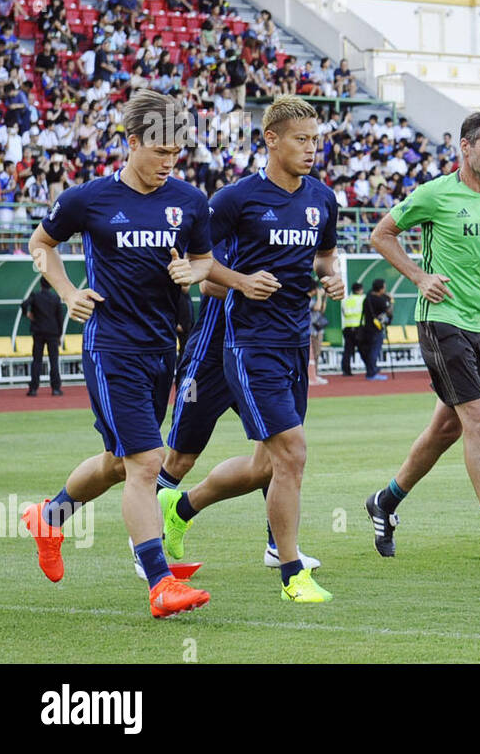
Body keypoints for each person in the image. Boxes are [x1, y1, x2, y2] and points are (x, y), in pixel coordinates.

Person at [22, 89, 215, 617]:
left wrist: (191, 273)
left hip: (161, 349)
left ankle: (50, 517)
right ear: (131, 144)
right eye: (159, 152)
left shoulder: (191, 201)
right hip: (111, 347)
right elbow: (41, 244)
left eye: (176, 153)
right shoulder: (89, 199)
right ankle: (159, 583)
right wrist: (67, 292)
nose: (169, 163)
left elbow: (204, 261)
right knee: (147, 463)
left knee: (116, 463)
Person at [154, 96, 343, 604]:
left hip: (293, 344)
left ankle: (181, 510)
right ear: (271, 140)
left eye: (315, 140)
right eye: (301, 140)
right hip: (247, 344)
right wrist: (241, 282)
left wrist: (331, 278)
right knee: (291, 453)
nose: (311, 149)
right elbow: (199, 266)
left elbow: (323, 258)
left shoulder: (322, 198)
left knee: (268, 464)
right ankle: (291, 573)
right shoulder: (235, 200)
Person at [364, 110, 480, 559]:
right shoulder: (435, 194)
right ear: (466, 147)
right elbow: (382, 235)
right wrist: (419, 277)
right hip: (442, 320)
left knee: (447, 427)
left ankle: (385, 501)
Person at [22, 277, 65, 396]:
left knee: (37, 361)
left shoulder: (35, 296)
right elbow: (60, 318)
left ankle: (33, 389)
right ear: (50, 285)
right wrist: (59, 335)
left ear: (40, 285)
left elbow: (24, 304)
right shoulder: (55, 298)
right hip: (52, 333)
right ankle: (56, 389)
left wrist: (27, 314)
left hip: (38, 332)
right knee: (54, 361)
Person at [361, 278, 392, 379]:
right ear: (381, 288)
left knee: (369, 350)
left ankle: (371, 370)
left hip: (366, 328)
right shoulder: (380, 300)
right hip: (376, 329)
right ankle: (372, 373)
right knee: (374, 351)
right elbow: (389, 312)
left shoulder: (367, 298)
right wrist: (390, 301)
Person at [341, 281, 365, 375]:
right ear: (359, 290)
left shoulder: (346, 300)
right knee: (363, 349)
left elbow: (343, 312)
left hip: (347, 327)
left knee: (348, 350)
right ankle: (371, 368)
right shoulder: (362, 299)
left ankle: (346, 370)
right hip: (358, 327)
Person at [308, 280, 328, 385]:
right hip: (310, 331)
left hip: (317, 330)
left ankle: (315, 374)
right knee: (310, 355)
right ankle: (310, 376)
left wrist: (324, 297)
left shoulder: (314, 299)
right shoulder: (307, 299)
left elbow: (321, 310)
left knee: (317, 353)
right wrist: (320, 296)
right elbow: (316, 307)